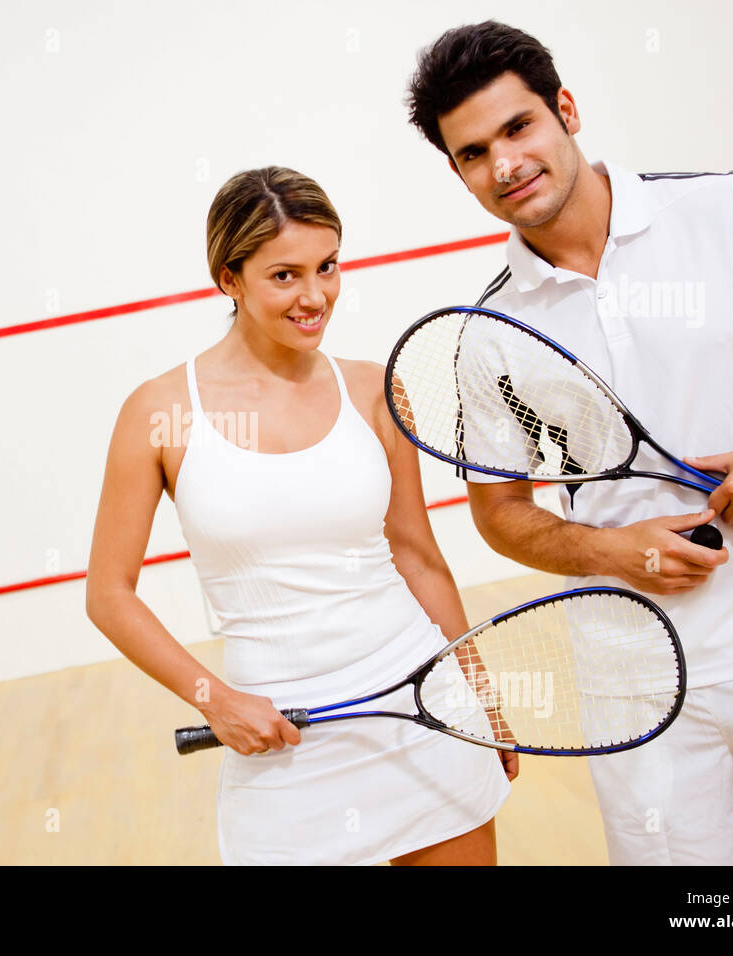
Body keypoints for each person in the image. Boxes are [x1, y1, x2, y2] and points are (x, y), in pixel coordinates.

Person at [404, 20, 733, 865]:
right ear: (458, 173)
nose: (505, 164)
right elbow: (500, 512)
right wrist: (611, 551)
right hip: (632, 676)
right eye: (474, 153)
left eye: (518, 127)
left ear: (566, 110)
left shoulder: (727, 211)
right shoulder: (491, 332)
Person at [85, 166, 514, 865]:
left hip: (421, 707)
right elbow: (108, 594)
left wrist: (480, 694)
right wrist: (214, 698)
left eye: (328, 267)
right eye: (285, 275)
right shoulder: (160, 412)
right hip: (280, 737)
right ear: (229, 278)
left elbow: (418, 556)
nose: (315, 296)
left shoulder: (373, 388)